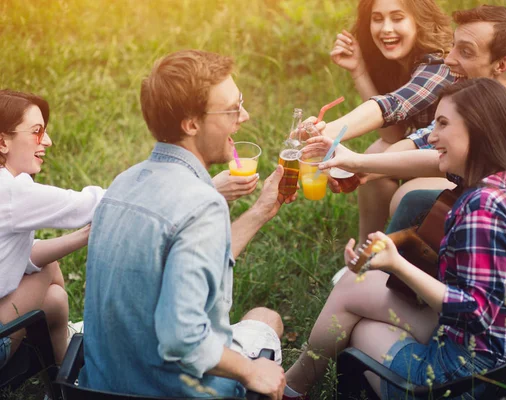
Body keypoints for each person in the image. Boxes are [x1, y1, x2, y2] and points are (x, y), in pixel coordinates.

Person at [283, 78, 506, 400]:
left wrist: (397, 265)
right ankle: (293, 386)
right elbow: (431, 161)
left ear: (479, 129)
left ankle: (290, 388)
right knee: (354, 285)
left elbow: (474, 312)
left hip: (468, 378)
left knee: (361, 329)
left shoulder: (483, 208)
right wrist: (356, 161)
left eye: (442, 124)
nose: (431, 137)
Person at [324, 4, 506, 284]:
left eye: (464, 52)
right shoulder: (474, 98)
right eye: (452, 47)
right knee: (413, 200)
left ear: (501, 65)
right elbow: (427, 141)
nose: (449, 60)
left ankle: (409, 289)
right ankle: (386, 279)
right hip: (486, 211)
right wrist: (363, 167)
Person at [79, 50, 291, 399]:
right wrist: (252, 371)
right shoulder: (201, 204)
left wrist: (260, 212)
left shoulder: (123, 183)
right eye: (233, 109)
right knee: (267, 319)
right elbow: (183, 340)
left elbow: (184, 263)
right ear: (191, 124)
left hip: (100, 387)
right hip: (173, 390)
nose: (245, 116)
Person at [324, 0, 454, 243]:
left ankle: (400, 265)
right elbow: (391, 136)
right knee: (378, 150)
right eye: (377, 18)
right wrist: (359, 70)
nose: (385, 28)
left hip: (473, 168)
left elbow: (392, 106)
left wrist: (325, 132)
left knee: (406, 197)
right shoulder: (399, 62)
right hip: (435, 154)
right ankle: (364, 252)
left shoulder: (440, 64)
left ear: (420, 21)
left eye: (397, 18)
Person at [0, 90, 104, 367]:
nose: (47, 141)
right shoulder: (9, 191)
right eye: (36, 132)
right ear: (2, 142)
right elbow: (91, 204)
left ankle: (62, 377)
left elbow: (16, 256)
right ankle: (69, 374)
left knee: (55, 299)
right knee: (47, 270)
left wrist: (85, 235)